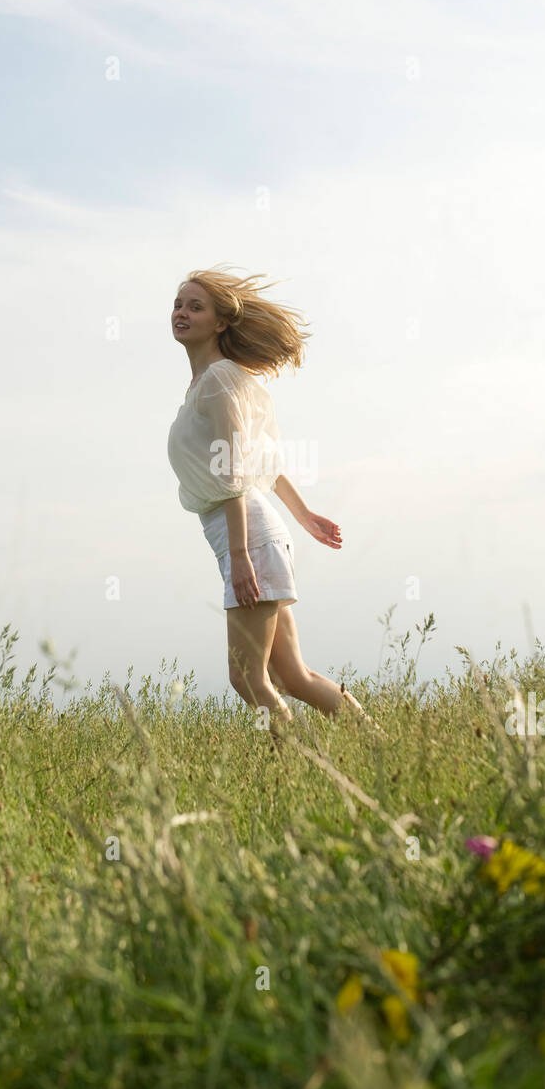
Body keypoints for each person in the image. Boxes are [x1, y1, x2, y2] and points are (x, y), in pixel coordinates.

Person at [167, 264, 382, 739]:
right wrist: (303, 517)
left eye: (195, 306)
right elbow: (258, 460)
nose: (181, 313)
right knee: (291, 677)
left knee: (248, 679)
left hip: (248, 538)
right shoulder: (210, 382)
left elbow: (235, 473)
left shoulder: (220, 380)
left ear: (220, 322)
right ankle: (378, 745)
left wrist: (242, 556)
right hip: (250, 534)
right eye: (179, 305)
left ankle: (291, 769)